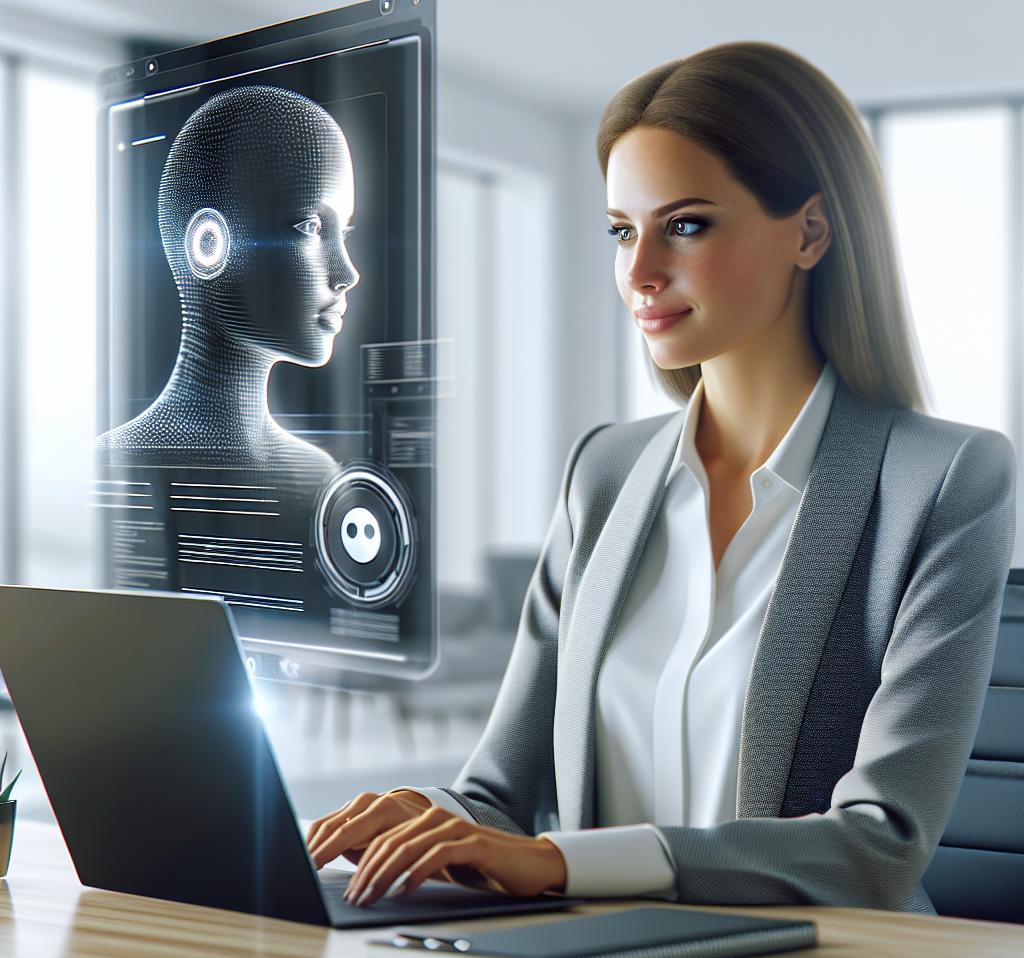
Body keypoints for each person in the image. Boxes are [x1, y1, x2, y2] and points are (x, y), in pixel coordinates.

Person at [305, 42, 1017, 913]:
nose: (638, 271)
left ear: (812, 231)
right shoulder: (605, 474)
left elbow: (878, 846)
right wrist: (431, 816)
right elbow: (499, 792)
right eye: (619, 229)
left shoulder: (943, 481)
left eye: (685, 224)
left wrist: (569, 864)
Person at [96, 84, 357, 478]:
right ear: (208, 243)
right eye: (311, 227)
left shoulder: (316, 477)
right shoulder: (111, 470)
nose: (347, 274)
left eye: (344, 235)